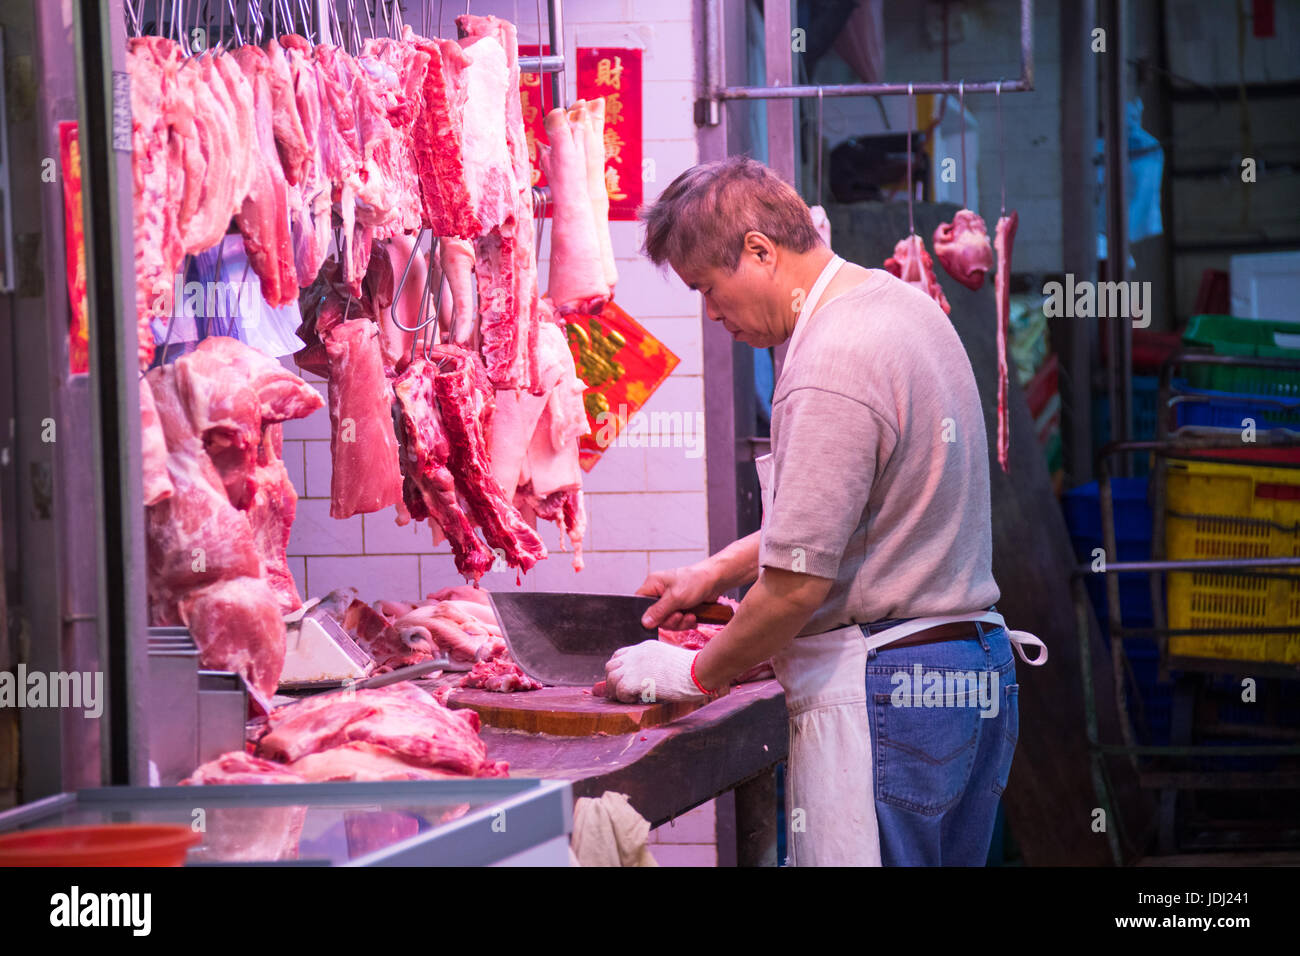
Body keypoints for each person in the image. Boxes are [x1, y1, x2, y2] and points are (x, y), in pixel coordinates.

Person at [602, 157, 1046, 866]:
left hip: (892, 694)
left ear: (759, 251)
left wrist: (692, 675)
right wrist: (714, 570)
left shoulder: (828, 361)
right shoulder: (896, 306)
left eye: (708, 290)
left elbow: (796, 588)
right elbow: (851, 508)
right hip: (968, 673)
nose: (711, 315)